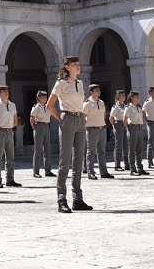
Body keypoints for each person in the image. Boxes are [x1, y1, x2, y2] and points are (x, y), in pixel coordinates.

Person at [47, 56, 92, 213]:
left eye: (78, 64)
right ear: (67, 67)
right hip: (67, 118)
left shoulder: (80, 83)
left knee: (79, 161)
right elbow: (49, 105)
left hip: (80, 120)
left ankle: (77, 199)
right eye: (74, 64)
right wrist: (60, 119)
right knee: (64, 161)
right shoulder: (61, 83)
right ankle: (61, 199)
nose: (78, 67)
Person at [0, 84, 21, 188]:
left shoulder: (12, 105)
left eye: (7, 91)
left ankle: (10, 179)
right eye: (4, 91)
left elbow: (15, 120)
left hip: (9, 131)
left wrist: (10, 126)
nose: (7, 93)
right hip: (0, 131)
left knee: (10, 158)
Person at [82, 84, 112, 179]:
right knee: (91, 152)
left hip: (102, 129)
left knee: (101, 152)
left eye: (99, 90)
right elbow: (83, 117)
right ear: (91, 92)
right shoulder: (87, 103)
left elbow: (104, 114)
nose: (99, 92)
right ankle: (90, 172)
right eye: (96, 90)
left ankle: (104, 172)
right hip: (92, 129)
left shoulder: (101, 102)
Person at [29, 90, 54, 178]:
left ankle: (48, 170)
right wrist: (35, 128)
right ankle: (36, 171)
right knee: (38, 149)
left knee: (47, 149)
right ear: (39, 98)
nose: (45, 99)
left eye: (46, 97)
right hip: (39, 125)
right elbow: (32, 119)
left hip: (46, 126)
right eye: (43, 97)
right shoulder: (36, 107)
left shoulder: (48, 106)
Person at [123, 90, 148, 177]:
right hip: (132, 128)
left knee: (139, 150)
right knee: (132, 150)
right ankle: (132, 169)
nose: (138, 98)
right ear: (131, 98)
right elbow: (125, 119)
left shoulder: (138, 107)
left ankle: (140, 168)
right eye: (136, 97)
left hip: (140, 128)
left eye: (138, 97)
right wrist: (129, 127)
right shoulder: (128, 107)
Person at [108, 90, 129, 172]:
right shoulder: (116, 106)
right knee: (118, 145)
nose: (123, 97)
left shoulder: (125, 106)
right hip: (118, 124)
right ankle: (117, 165)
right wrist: (114, 126)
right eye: (121, 95)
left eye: (124, 95)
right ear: (117, 97)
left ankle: (127, 164)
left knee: (126, 145)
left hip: (124, 124)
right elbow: (111, 118)